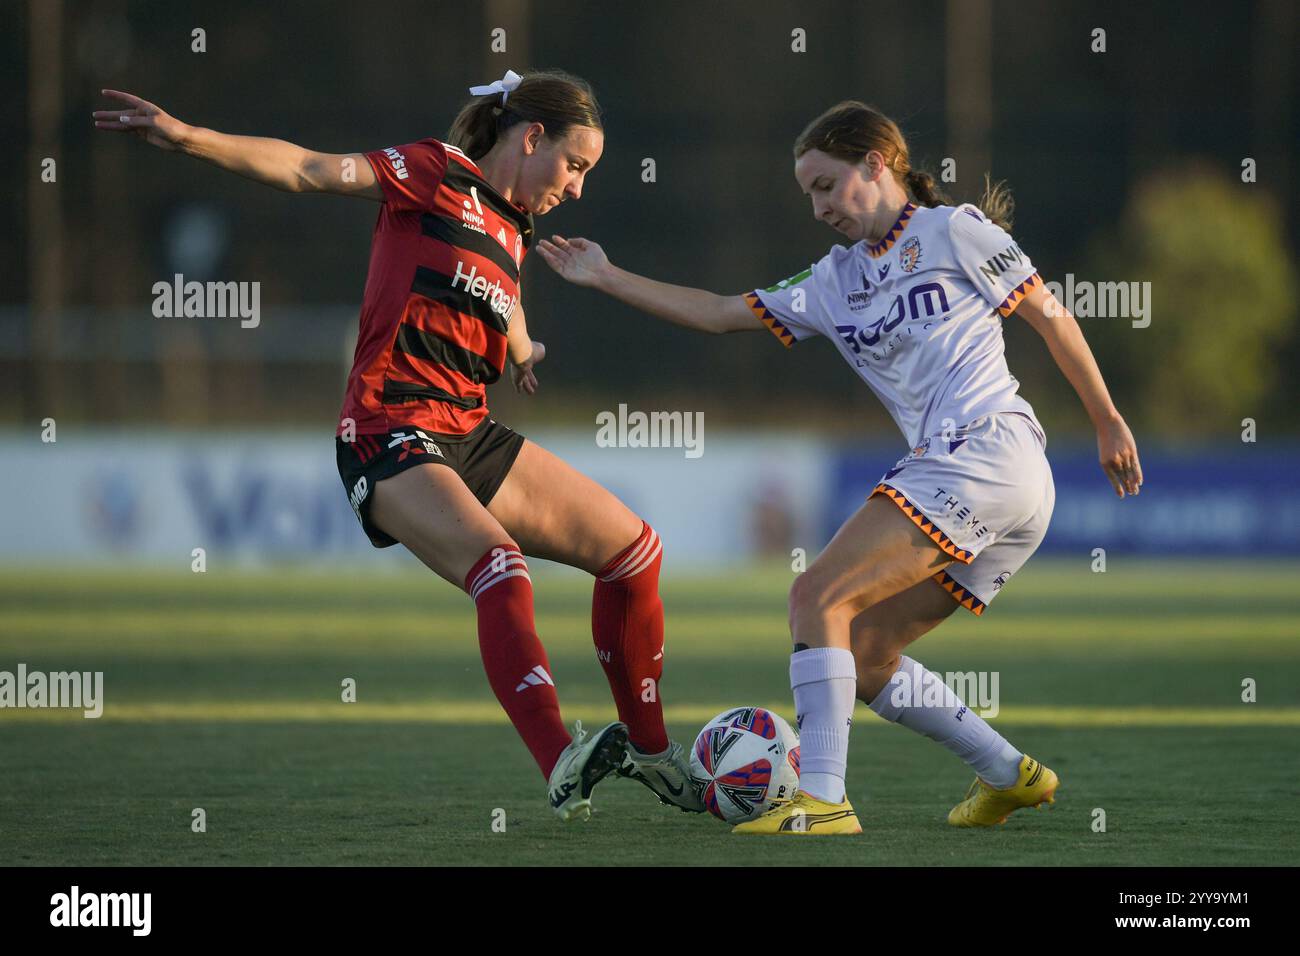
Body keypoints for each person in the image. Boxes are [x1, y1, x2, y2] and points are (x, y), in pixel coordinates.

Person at [94, 69, 706, 823]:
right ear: (532, 137)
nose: (578, 188)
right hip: (388, 430)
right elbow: (306, 168)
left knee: (635, 552)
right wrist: (189, 137)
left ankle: (653, 754)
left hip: (467, 432)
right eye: (575, 165)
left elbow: (499, 297)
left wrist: (522, 349)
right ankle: (559, 759)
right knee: (501, 570)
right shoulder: (431, 172)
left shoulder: (514, 227)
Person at [537, 100, 1143, 834]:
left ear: (875, 165)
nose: (818, 206)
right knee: (865, 650)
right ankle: (1009, 774)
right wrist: (607, 277)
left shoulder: (954, 230)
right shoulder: (832, 280)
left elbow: (1051, 315)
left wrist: (1108, 419)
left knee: (815, 598)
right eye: (808, 194)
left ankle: (822, 799)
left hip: (987, 450)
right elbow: (722, 311)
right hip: (993, 483)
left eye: (826, 185)